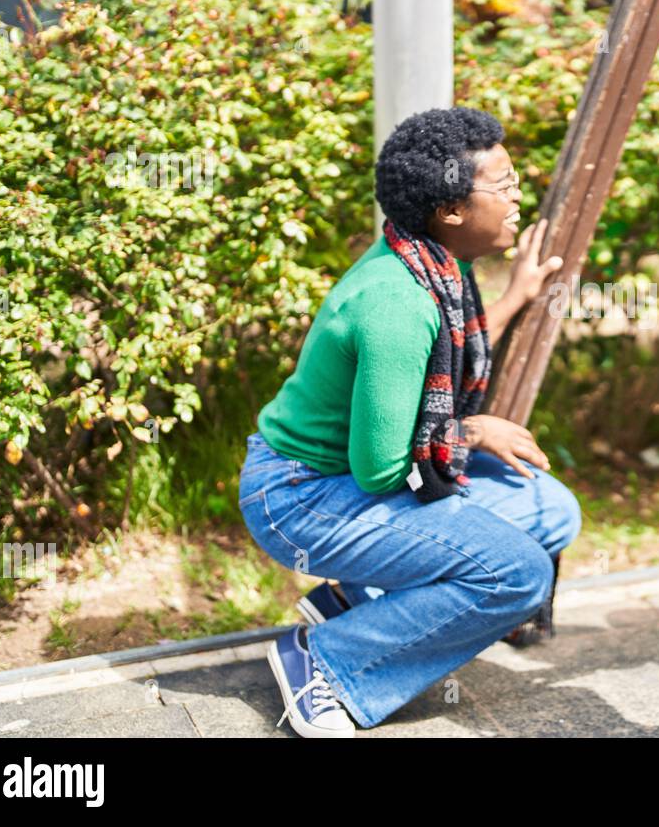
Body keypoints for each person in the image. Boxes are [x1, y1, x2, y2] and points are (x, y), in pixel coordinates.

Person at [238, 107, 582, 737]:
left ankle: (349, 602)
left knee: (551, 512)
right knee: (518, 573)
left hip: (342, 482)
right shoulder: (396, 301)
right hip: (299, 499)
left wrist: (517, 294)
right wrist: (477, 431)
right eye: (502, 185)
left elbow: (446, 347)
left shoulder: (430, 261)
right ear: (451, 211)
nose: (516, 198)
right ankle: (327, 664)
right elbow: (382, 470)